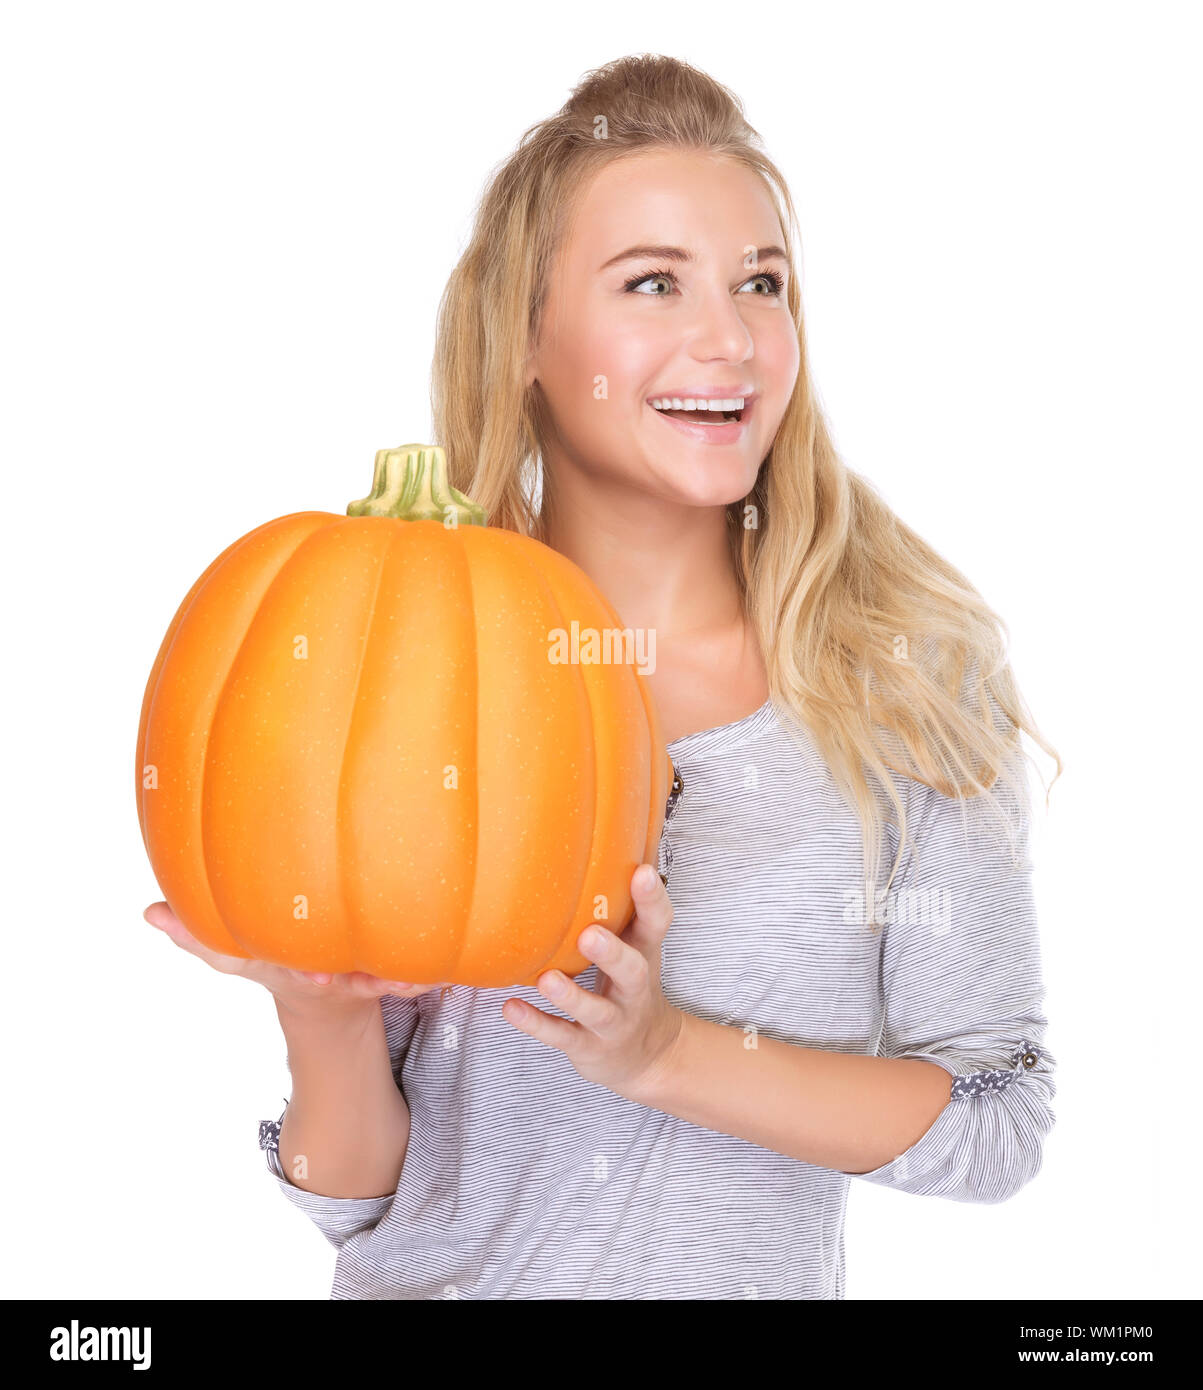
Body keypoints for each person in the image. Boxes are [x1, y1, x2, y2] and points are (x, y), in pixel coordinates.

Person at [144, 52, 1061, 1300]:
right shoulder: (401, 657)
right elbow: (360, 1201)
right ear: (527, 336)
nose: (730, 339)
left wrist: (667, 1053)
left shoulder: (908, 678)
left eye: (760, 283)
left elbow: (997, 1120)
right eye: (653, 282)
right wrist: (320, 1009)